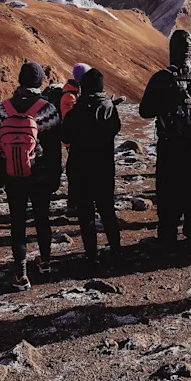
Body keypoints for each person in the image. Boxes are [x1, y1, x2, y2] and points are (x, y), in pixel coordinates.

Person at [139, 29, 191, 256]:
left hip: (169, 145)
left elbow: (145, 111)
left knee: (167, 190)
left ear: (171, 51)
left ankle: (168, 237)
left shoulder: (160, 78)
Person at [0, 61, 63, 291]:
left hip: (13, 175)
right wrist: (55, 176)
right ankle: (45, 262)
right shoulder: (47, 109)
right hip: (40, 176)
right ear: (40, 82)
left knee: (18, 221)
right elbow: (54, 148)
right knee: (42, 218)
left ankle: (20, 273)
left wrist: (1, 174)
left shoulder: (2, 109)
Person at [62, 68, 124, 265]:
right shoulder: (109, 107)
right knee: (107, 209)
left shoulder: (76, 111)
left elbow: (65, 136)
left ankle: (91, 254)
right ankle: (116, 249)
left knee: (85, 213)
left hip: (80, 168)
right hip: (103, 166)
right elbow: (115, 128)